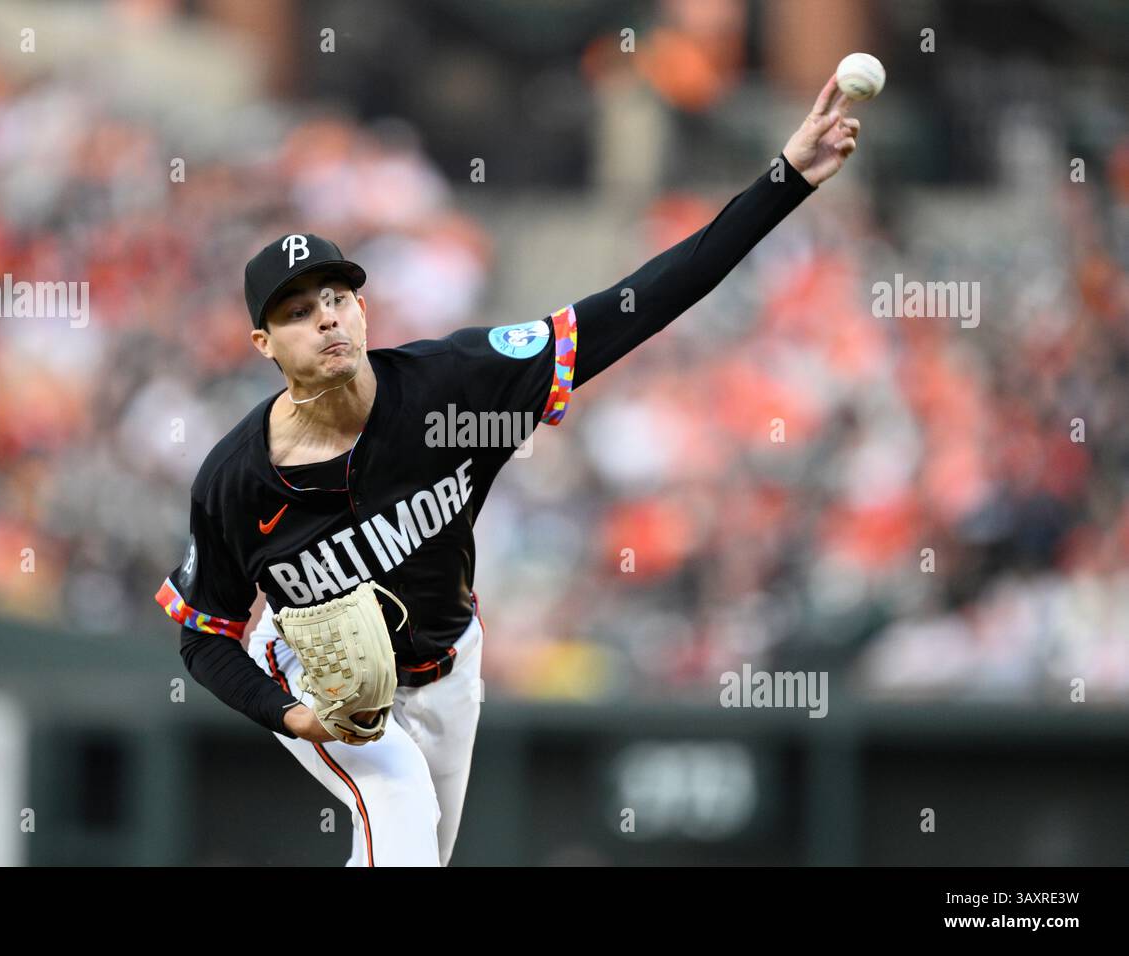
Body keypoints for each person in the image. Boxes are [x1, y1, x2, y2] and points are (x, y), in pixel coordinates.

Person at [156, 76, 861, 866]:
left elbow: (642, 302)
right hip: (322, 687)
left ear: (361, 306)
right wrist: (290, 714)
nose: (324, 316)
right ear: (264, 345)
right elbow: (204, 637)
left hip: (452, 663)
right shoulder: (235, 480)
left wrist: (786, 180)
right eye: (294, 310)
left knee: (415, 848)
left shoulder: (459, 384)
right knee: (396, 805)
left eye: (335, 296)